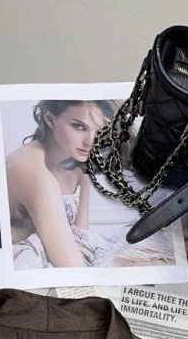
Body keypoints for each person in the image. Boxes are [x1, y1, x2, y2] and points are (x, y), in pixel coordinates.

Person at [6, 99, 116, 268]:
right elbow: (73, 269)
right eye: (79, 126)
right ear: (50, 119)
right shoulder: (33, 174)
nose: (90, 142)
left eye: (99, 131)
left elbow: (82, 235)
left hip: (64, 255)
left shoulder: (80, 160)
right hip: (24, 261)